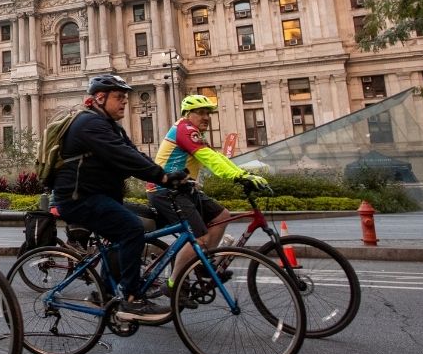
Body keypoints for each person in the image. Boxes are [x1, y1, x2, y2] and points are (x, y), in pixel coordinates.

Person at [51, 75, 185, 322]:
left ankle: (104, 292)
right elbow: (123, 156)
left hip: (98, 196)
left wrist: (166, 176)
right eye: (119, 97)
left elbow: (134, 154)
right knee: (130, 228)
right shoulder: (88, 124)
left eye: (125, 97)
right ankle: (131, 299)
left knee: (144, 221)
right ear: (99, 98)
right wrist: (163, 179)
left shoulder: (111, 126)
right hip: (77, 199)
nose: (124, 102)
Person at [148, 94, 269, 302]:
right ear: (188, 114)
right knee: (199, 237)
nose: (206, 117)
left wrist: (243, 174)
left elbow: (218, 157)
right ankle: (174, 284)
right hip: (165, 190)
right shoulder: (184, 129)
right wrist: (238, 176)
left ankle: (203, 265)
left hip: (184, 188)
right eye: (201, 113)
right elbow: (209, 159)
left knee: (222, 215)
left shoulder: (193, 132)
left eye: (208, 113)